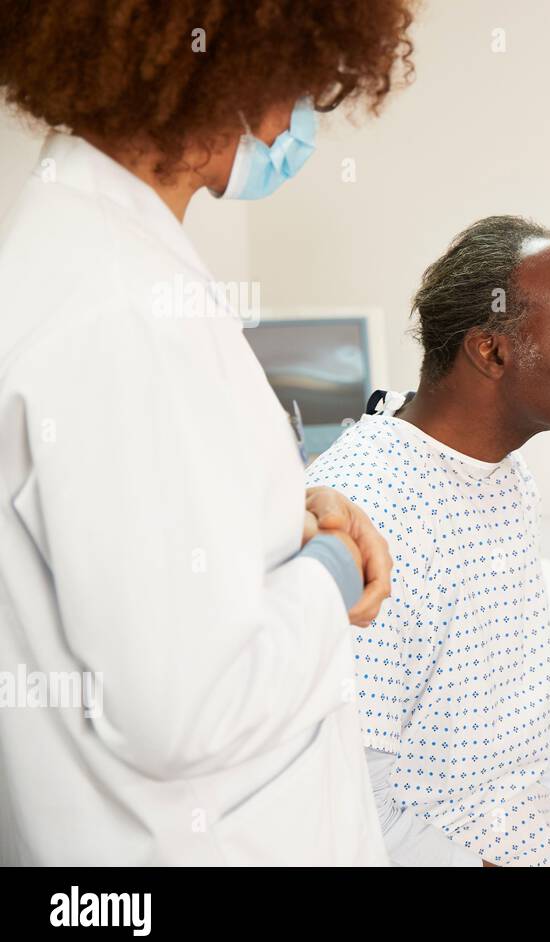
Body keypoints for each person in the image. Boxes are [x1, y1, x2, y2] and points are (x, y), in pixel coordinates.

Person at [0, 1, 415, 864]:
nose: (301, 115)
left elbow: (150, 535)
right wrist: (335, 569)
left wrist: (292, 512)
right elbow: (185, 706)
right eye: (306, 85)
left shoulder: (93, 257)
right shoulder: (118, 308)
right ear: (242, 66)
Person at [306, 215, 550, 866]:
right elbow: (345, 796)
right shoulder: (370, 514)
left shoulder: (507, 480)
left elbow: (528, 743)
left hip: (542, 834)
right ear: (490, 351)